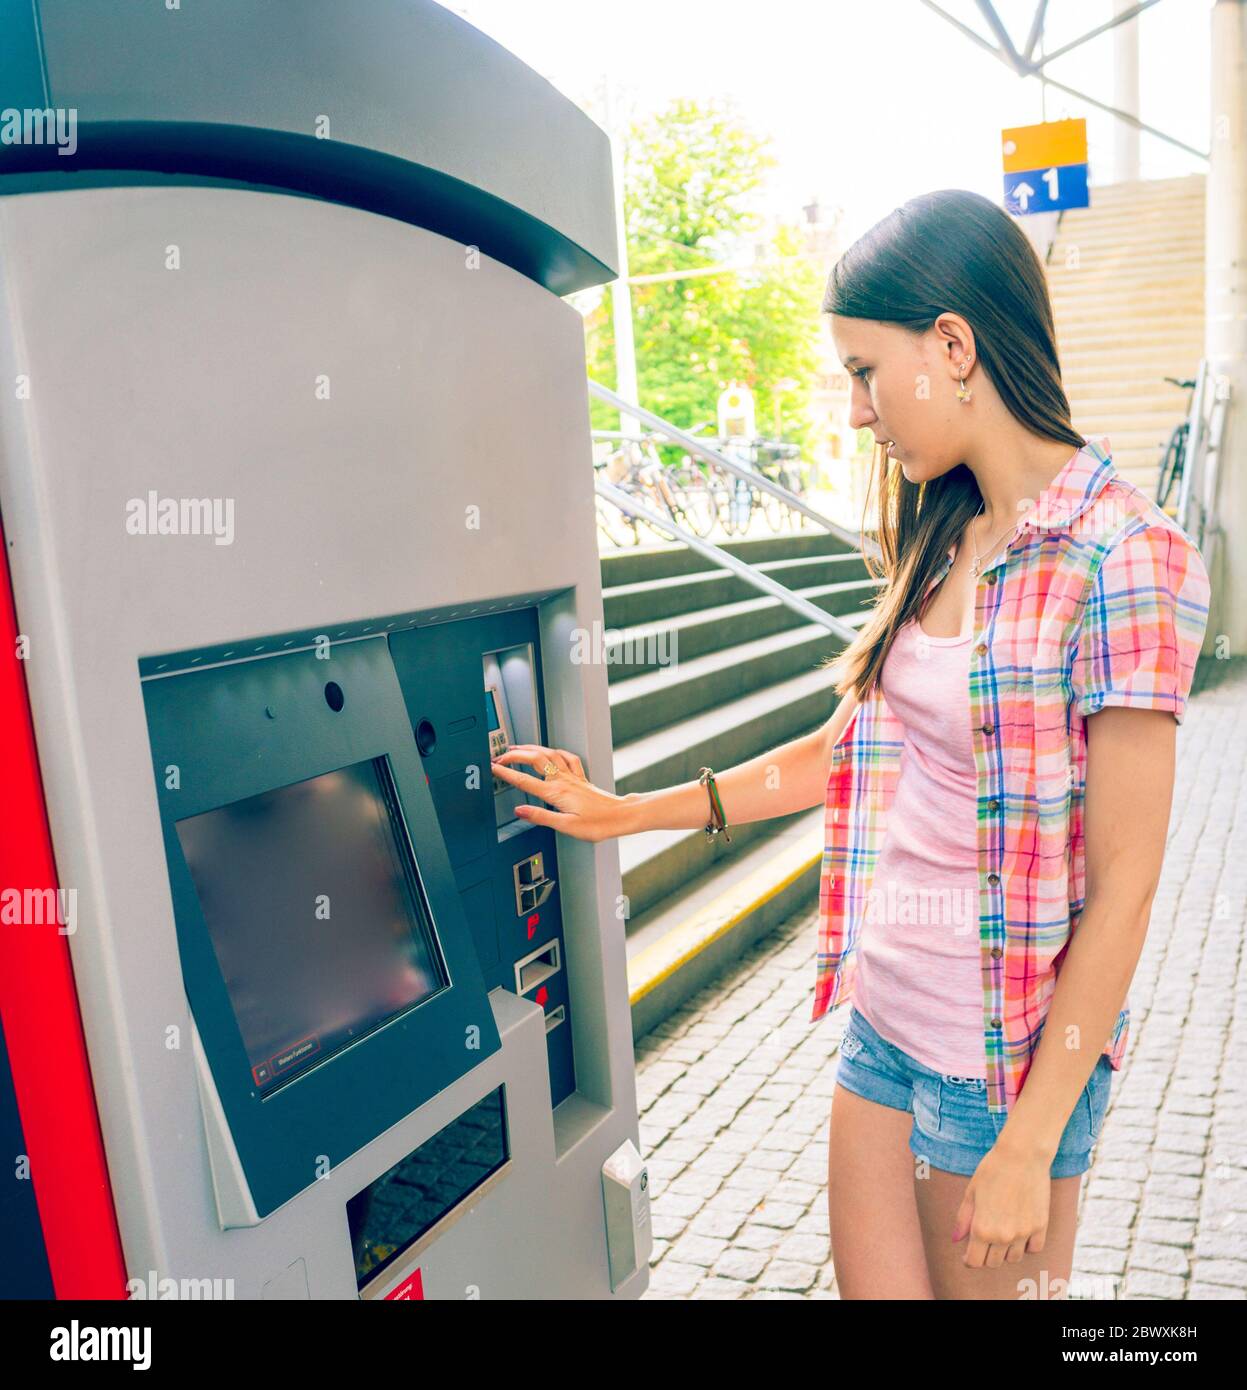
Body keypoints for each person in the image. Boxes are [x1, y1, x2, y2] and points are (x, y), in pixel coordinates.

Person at [489, 188, 1211, 1300]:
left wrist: (1027, 1139)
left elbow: (1124, 890)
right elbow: (840, 755)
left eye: (863, 372)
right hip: (880, 1027)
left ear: (952, 347)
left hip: (998, 1074)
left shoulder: (1124, 556)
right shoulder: (941, 534)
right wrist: (628, 811)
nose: (856, 413)